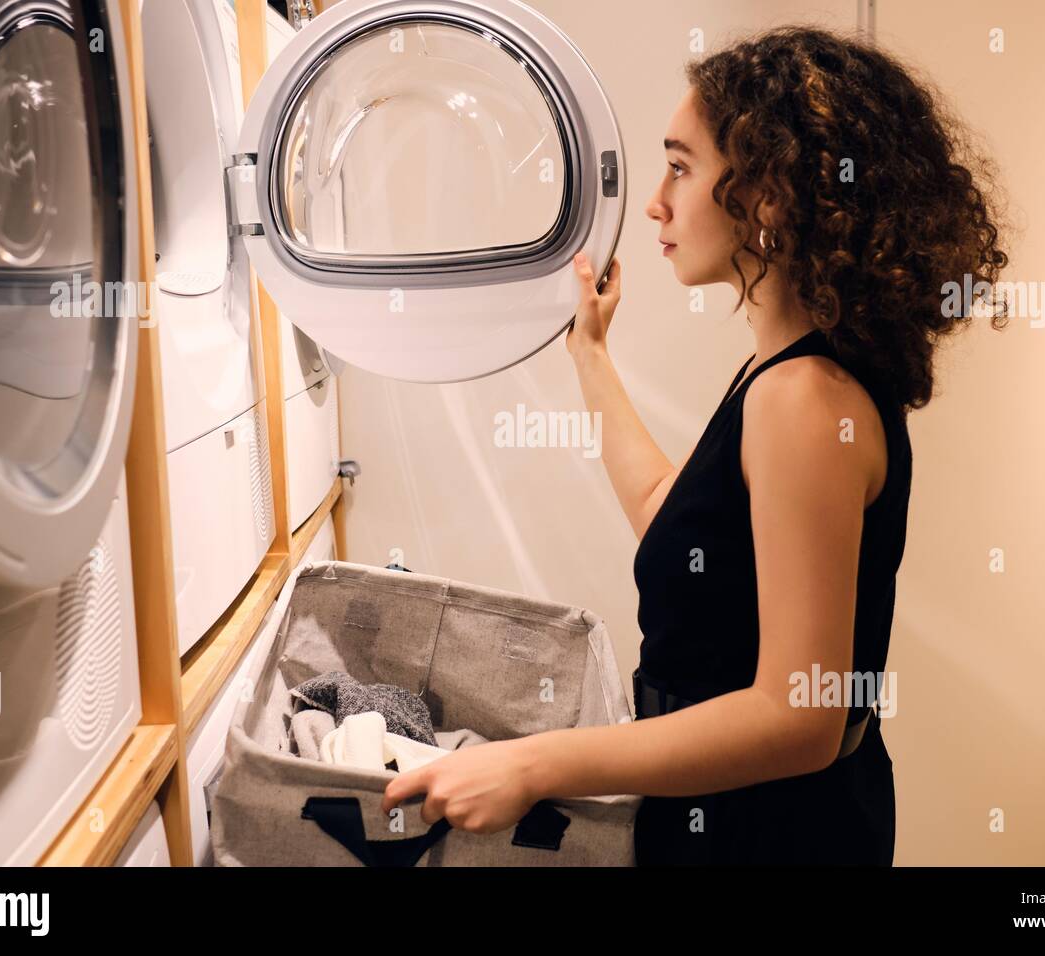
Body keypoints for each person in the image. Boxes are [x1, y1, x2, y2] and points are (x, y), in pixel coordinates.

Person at [382, 25, 1008, 865]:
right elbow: (682, 531)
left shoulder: (805, 400)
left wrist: (534, 765)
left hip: (773, 836)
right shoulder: (783, 373)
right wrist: (590, 358)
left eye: (681, 166)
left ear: (772, 193)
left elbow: (798, 718)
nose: (656, 202)